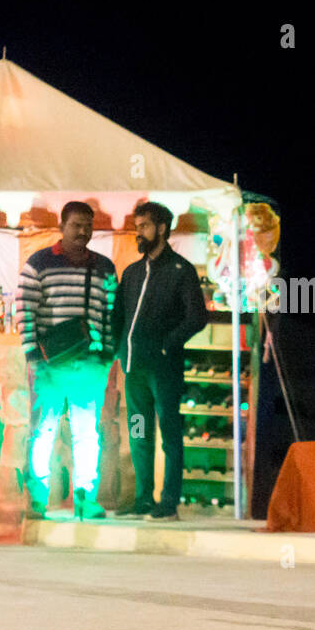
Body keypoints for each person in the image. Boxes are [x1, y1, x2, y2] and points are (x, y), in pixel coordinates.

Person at [17, 201, 117, 518]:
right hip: (49, 364)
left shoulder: (105, 267)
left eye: (88, 226)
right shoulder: (39, 263)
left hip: (90, 363)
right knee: (42, 431)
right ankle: (37, 498)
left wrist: (107, 354)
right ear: (62, 227)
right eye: (76, 225)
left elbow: (112, 313)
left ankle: (85, 497)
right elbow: (24, 309)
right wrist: (33, 354)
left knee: (87, 433)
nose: (83, 231)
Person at [110, 201, 209, 522]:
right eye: (137, 226)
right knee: (139, 432)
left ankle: (168, 502)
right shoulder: (132, 272)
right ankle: (143, 499)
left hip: (164, 370)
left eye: (144, 226)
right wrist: (117, 349)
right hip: (134, 369)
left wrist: (167, 345)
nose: (138, 232)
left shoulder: (181, 270)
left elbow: (197, 317)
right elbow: (118, 315)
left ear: (162, 228)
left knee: (169, 433)